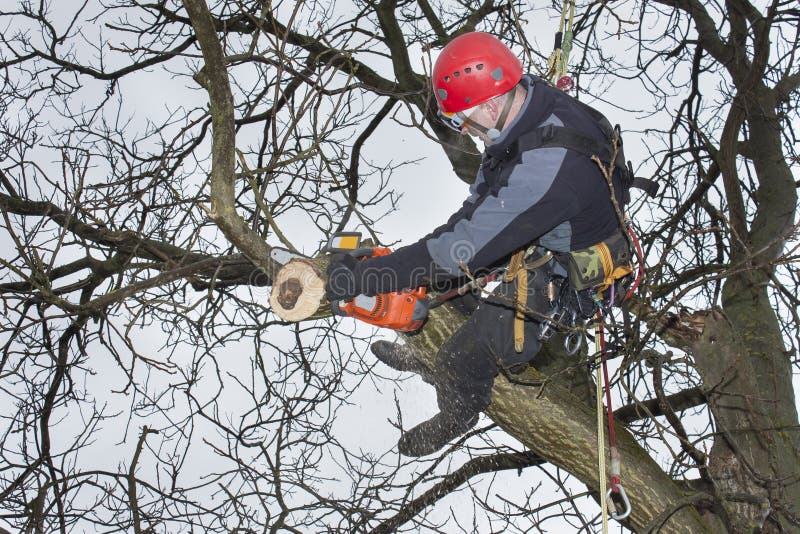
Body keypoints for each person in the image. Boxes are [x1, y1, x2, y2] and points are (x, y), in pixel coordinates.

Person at [326, 32, 636, 457]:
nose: (467, 131)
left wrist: (374, 275)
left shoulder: (549, 166)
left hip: (570, 277)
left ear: (491, 103)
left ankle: (457, 405)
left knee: (464, 355)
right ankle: (429, 357)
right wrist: (405, 265)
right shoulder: (522, 117)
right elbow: (472, 213)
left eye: (466, 121)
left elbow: (463, 247)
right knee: (439, 281)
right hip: (545, 231)